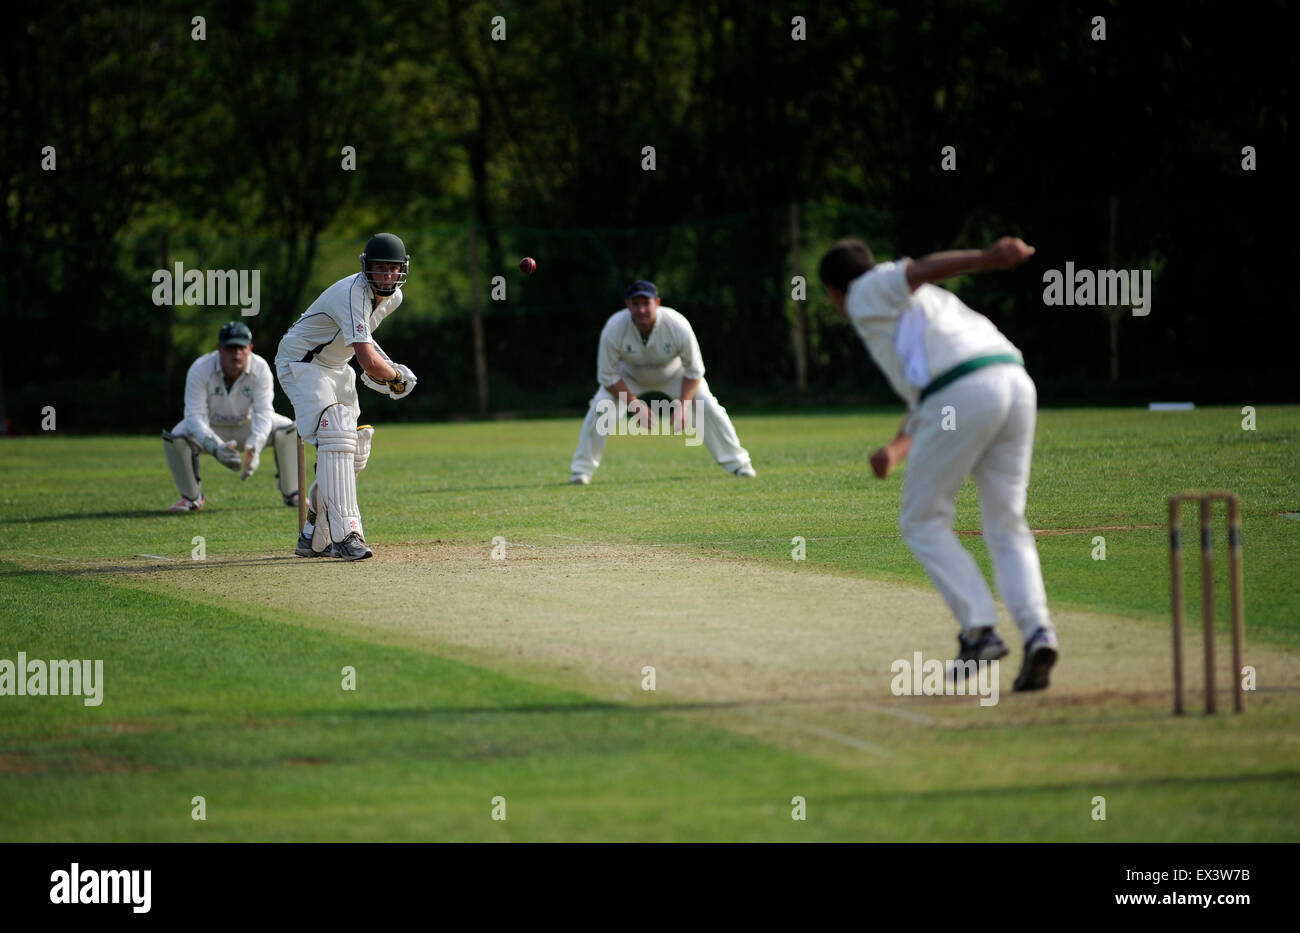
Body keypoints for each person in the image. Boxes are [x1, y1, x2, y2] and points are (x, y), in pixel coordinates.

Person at [818, 236, 1060, 691]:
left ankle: (979, 629)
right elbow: (932, 391)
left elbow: (920, 267)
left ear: (834, 292)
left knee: (921, 521)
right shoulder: (918, 311)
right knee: (1007, 524)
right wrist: (897, 447)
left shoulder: (868, 289)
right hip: (1013, 381)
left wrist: (988, 259)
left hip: (966, 392)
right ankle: (1038, 633)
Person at [274, 233, 418, 561]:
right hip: (302, 363)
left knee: (354, 450)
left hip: (337, 366)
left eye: (392, 269)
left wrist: (392, 369)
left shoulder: (393, 298)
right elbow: (368, 361)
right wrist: (395, 376)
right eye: (379, 269)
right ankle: (346, 535)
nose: (386, 276)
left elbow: (362, 340)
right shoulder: (353, 292)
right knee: (336, 430)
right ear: (366, 268)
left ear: (401, 271)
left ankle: (313, 534)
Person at [569, 280, 755, 484]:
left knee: (707, 405)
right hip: (630, 377)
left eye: (646, 303)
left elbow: (694, 371)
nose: (641, 310)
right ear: (627, 305)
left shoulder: (677, 325)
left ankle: (739, 464)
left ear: (657, 302)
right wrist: (634, 405)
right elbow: (607, 377)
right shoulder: (614, 328)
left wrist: (683, 407)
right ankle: (581, 472)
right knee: (600, 408)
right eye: (635, 304)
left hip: (675, 374)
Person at [162, 321, 299, 513]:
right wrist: (215, 447)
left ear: (250, 348)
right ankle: (191, 497)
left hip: (247, 426)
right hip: (212, 427)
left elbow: (263, 412)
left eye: (241, 347)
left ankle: (292, 493)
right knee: (175, 436)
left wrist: (255, 446)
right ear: (219, 348)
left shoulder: (260, 368)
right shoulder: (200, 368)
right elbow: (194, 415)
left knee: (289, 428)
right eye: (230, 347)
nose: (236, 353)